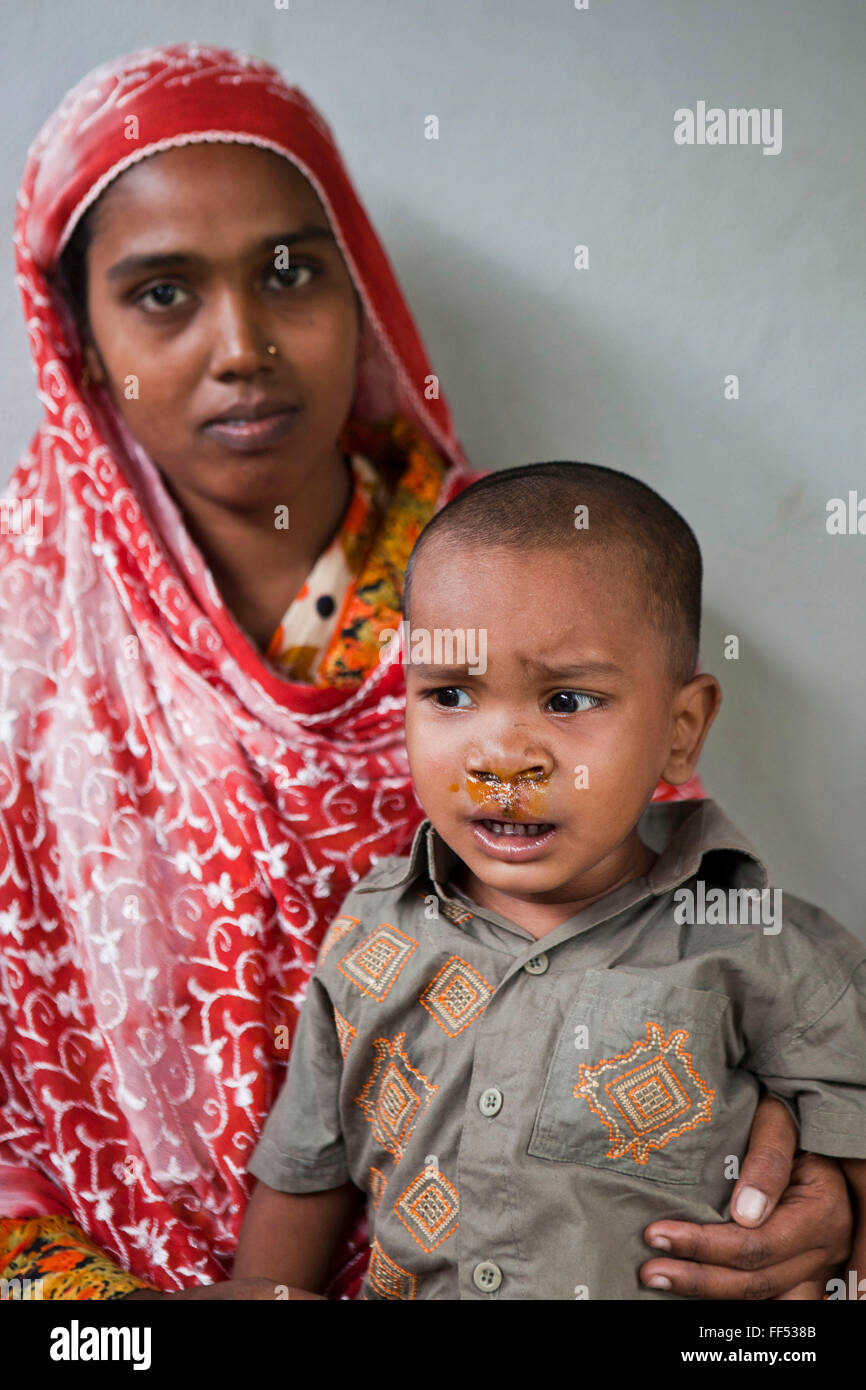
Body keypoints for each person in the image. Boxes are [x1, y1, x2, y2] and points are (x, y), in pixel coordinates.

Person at [0, 43, 850, 1301]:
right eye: (163, 294)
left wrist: (828, 1197)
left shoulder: (532, 588)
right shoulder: (23, 635)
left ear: (360, 291)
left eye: (290, 273)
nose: (241, 343)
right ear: (75, 334)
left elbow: (686, 955)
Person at [235, 462, 866, 1299]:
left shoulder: (760, 944)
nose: (502, 758)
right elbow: (303, 1174)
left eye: (567, 701)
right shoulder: (372, 934)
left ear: (681, 731)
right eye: (451, 694)